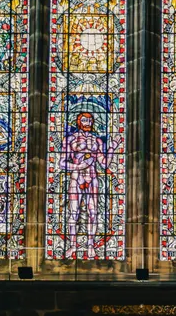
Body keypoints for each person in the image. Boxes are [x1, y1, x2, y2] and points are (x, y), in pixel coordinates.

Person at [59, 111, 108, 258]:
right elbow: (62, 163)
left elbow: (104, 163)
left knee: (93, 213)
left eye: (90, 120)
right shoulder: (70, 140)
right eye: (85, 120)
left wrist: (112, 149)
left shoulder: (97, 141)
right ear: (79, 122)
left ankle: (90, 245)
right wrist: (79, 167)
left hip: (92, 177)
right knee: (74, 213)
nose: (88, 123)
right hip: (76, 177)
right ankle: (72, 245)